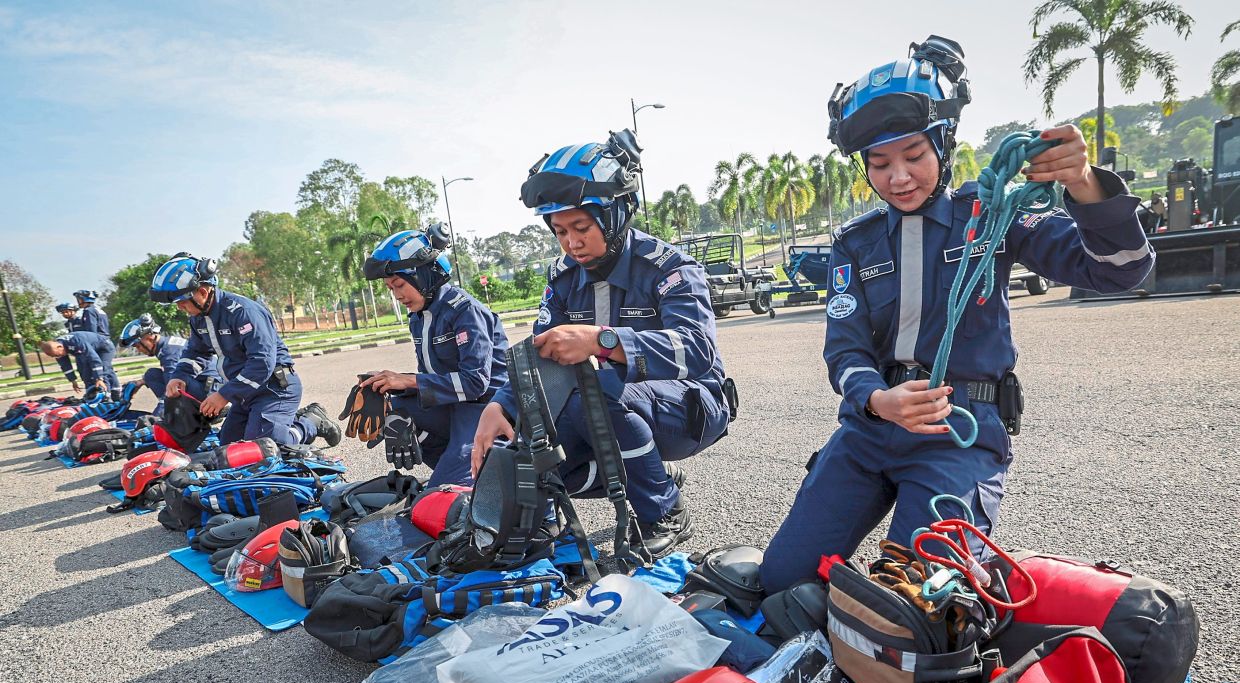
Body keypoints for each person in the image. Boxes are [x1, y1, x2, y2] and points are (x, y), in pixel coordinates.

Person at [758, 35, 1154, 592]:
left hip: (959, 435)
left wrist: (1083, 183)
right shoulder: (855, 242)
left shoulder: (993, 216)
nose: (898, 177)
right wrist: (878, 400)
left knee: (914, 599)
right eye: (879, 163)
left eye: (914, 155)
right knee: (781, 581)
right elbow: (844, 350)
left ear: (943, 144)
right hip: (868, 433)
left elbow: (1120, 270)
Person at [472, 129, 733, 558]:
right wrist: (499, 406)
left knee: (595, 394)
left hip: (693, 404)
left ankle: (664, 511)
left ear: (614, 215)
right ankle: (640, 482)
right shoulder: (563, 279)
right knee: (535, 444)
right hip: (606, 403)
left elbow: (697, 349)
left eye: (581, 227)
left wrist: (601, 341)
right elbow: (541, 354)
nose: (571, 243)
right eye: (559, 231)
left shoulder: (669, 268)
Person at [357, 224, 510, 487]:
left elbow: (475, 383)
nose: (397, 295)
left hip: (485, 408)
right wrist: (387, 383)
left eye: (399, 284)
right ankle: (457, 470)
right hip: (454, 405)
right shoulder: (418, 317)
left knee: (444, 495)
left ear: (424, 274)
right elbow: (432, 379)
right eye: (391, 288)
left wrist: (409, 380)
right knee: (389, 408)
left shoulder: (464, 311)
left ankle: (470, 478)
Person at [149, 252, 340, 448]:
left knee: (265, 447)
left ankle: (311, 422)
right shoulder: (199, 319)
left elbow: (262, 362)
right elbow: (196, 352)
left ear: (203, 292)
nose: (180, 307)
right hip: (245, 394)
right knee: (230, 449)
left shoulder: (244, 312)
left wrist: (223, 395)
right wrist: (179, 376)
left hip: (274, 388)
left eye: (182, 302)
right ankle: (278, 423)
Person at [119, 313, 218, 414]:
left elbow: (172, 390)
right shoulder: (167, 345)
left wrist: (155, 418)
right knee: (151, 375)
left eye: (137, 346)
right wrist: (140, 382)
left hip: (211, 392)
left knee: (171, 393)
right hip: (205, 383)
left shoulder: (170, 354)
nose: (138, 350)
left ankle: (184, 415)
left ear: (149, 337)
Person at [41, 331, 120, 398]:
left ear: (59, 347)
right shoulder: (56, 350)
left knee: (103, 370)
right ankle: (91, 396)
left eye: (57, 355)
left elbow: (94, 359)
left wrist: (99, 378)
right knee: (85, 374)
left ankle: (108, 396)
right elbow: (65, 366)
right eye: (54, 356)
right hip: (89, 350)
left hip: (104, 348)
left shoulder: (76, 342)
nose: (58, 357)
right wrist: (73, 381)